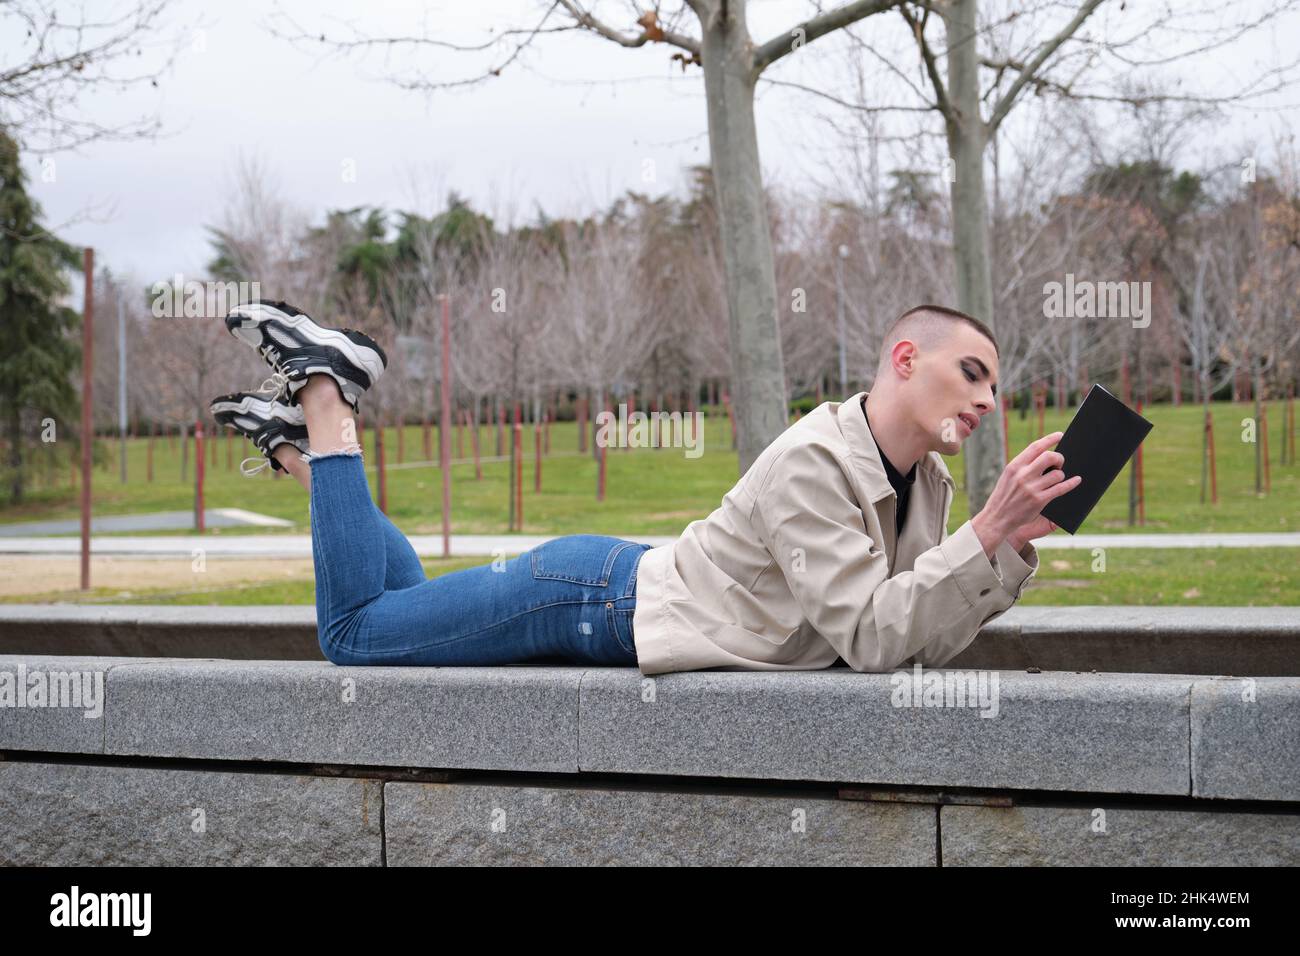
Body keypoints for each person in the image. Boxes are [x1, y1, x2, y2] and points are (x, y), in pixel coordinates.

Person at [212, 301, 1078, 673]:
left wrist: (1004, 546)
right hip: (588, 601)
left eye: (995, 387)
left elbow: (912, 634)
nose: (986, 401)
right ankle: (327, 394)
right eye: (972, 373)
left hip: (613, 589)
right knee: (358, 637)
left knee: (398, 600)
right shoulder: (815, 459)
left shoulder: (923, 484)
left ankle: (302, 456)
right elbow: (868, 635)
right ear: (904, 359)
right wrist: (986, 532)